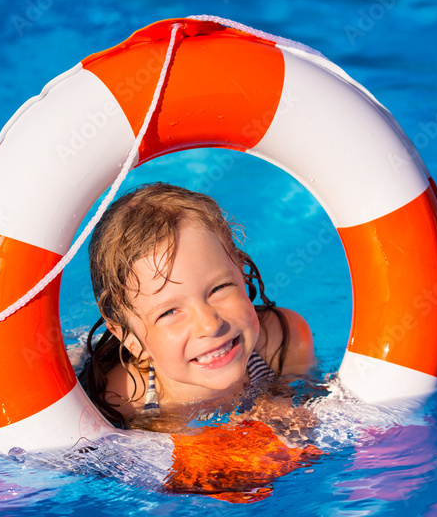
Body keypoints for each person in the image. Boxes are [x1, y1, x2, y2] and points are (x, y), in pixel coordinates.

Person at [77, 182, 315, 434]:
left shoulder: (282, 344)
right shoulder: (121, 399)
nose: (209, 325)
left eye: (219, 288)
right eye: (169, 311)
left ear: (242, 274)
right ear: (131, 339)